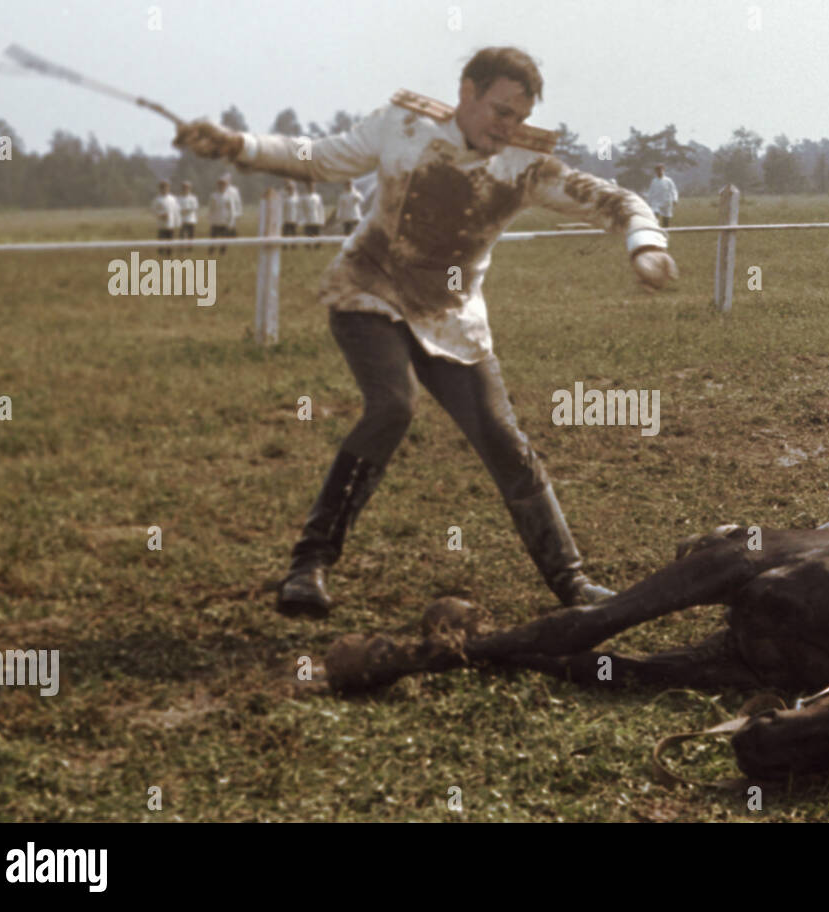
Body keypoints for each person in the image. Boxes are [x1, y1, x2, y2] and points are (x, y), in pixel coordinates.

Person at [174, 46, 678, 619]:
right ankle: (307, 567)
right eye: (500, 110)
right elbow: (321, 157)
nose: (509, 126)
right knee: (392, 405)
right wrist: (239, 146)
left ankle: (573, 583)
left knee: (504, 440)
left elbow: (615, 199)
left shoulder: (526, 164)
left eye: (519, 115)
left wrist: (645, 243)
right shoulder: (404, 124)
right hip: (369, 291)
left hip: (450, 318)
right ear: (466, 92)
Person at [207, 176, 239, 254]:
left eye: (223, 184)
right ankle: (211, 253)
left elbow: (232, 210)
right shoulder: (213, 196)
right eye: (220, 184)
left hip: (225, 221)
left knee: (224, 240)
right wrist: (210, 219)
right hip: (215, 221)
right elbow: (211, 208)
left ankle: (222, 254)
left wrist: (231, 222)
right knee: (213, 239)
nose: (221, 186)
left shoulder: (229, 197)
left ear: (225, 186)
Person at [152, 180, 180, 255]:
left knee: (170, 243)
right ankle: (160, 258)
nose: (165, 189)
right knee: (161, 243)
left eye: (166, 187)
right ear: (160, 188)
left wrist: (177, 223)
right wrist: (161, 215)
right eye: (163, 188)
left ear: (168, 188)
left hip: (170, 224)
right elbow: (154, 211)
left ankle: (169, 257)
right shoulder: (157, 200)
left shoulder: (172, 199)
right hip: (161, 225)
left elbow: (176, 211)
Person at [301, 180, 326, 245]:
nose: (311, 188)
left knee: (316, 234)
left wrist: (322, 219)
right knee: (308, 234)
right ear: (307, 187)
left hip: (316, 218)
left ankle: (317, 246)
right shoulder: (304, 197)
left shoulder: (318, 197)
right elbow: (302, 209)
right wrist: (302, 220)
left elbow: (320, 209)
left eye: (312, 186)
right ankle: (308, 247)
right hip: (307, 219)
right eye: (309, 186)